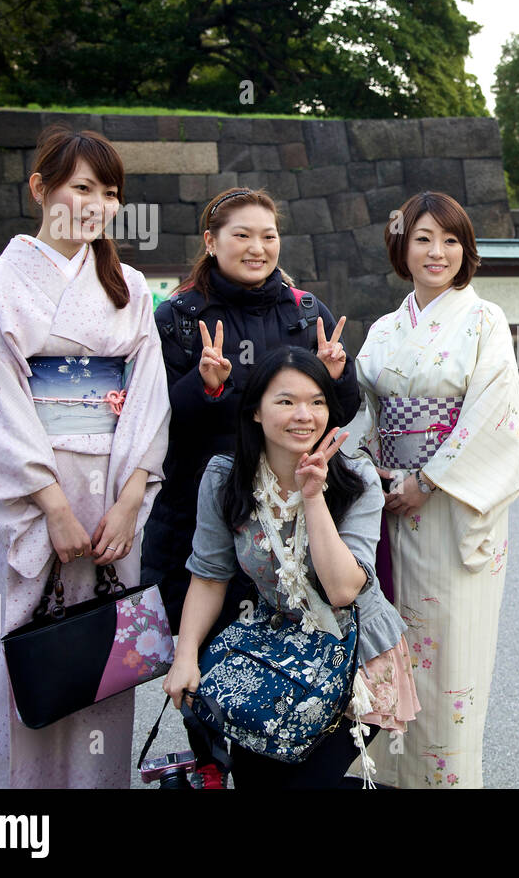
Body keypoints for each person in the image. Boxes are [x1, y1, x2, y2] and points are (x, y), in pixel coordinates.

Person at [0, 125, 169, 788]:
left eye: (109, 192)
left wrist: (131, 500)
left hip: (109, 497)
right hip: (31, 502)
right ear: (40, 189)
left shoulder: (128, 286)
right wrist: (50, 505)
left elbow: (149, 400)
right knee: (28, 673)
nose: (96, 203)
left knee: (104, 667)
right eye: (82, 187)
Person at [140, 186, 358, 786]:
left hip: (287, 516)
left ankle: (283, 764)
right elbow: (153, 421)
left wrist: (337, 379)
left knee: (283, 653)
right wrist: (206, 387)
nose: (257, 247)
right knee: (206, 657)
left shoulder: (304, 310)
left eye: (268, 235)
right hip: (200, 508)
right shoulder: (177, 318)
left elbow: (334, 413)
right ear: (210, 242)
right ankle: (212, 765)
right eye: (241, 234)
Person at [161, 346, 417, 788]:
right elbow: (208, 575)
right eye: (286, 401)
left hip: (354, 652)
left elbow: (342, 590)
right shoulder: (226, 477)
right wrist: (184, 658)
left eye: (317, 402)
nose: (304, 415)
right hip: (274, 647)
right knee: (258, 781)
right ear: (256, 412)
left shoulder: (355, 478)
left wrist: (313, 495)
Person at [355, 190, 519, 788]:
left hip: (450, 508)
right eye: (423, 238)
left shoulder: (483, 320)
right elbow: (365, 414)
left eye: (451, 240)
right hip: (387, 506)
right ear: (401, 246)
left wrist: (427, 480)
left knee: (450, 650)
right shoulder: (383, 328)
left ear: (466, 250)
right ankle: (388, 776)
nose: (437, 251)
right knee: (386, 638)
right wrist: (371, 472)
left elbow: (493, 415)